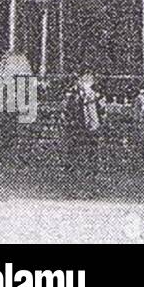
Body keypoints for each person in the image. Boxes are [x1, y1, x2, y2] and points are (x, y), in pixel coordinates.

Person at [62, 71, 102, 199]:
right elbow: (66, 112)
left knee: (90, 159)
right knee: (75, 159)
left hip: (89, 130)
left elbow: (100, 112)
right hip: (77, 130)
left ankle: (91, 189)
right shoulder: (73, 96)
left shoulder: (93, 96)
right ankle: (74, 189)